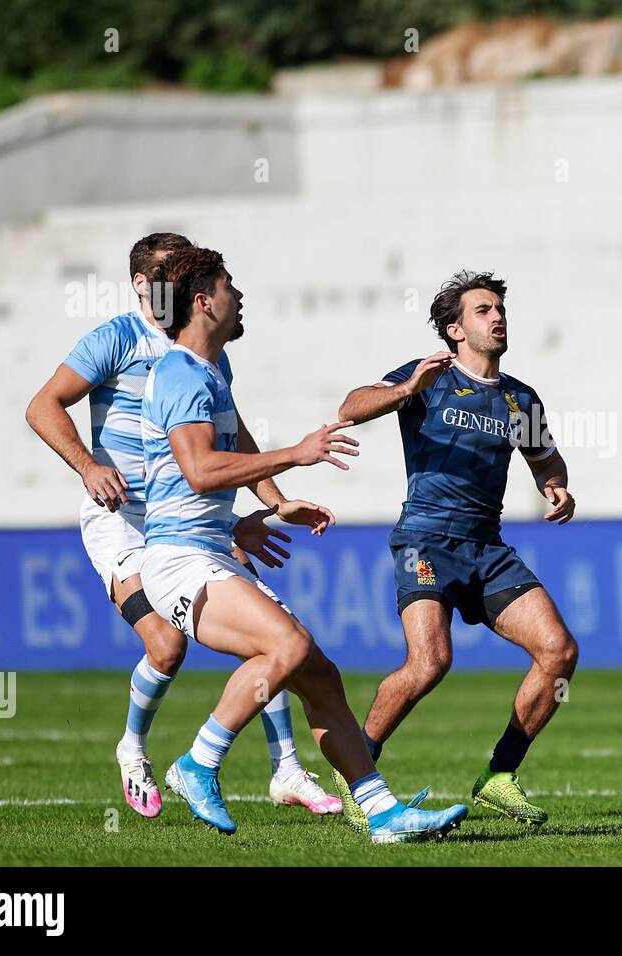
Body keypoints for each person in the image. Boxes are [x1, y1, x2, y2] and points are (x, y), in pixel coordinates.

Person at [138, 246, 467, 841]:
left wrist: (271, 502)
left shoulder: (212, 371)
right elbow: (200, 471)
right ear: (203, 301)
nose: (241, 296)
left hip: (206, 550)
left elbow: (231, 446)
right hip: (176, 561)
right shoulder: (181, 372)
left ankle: (384, 814)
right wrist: (297, 450)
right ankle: (198, 763)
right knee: (286, 646)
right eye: (229, 285)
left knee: (319, 674)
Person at [25, 233, 343, 817]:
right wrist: (89, 466)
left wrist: (271, 501)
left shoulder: (205, 351)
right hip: (122, 518)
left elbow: (231, 429)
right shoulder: (117, 339)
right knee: (167, 647)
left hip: (191, 516)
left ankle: (286, 767)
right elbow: (42, 406)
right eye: (173, 272)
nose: (187, 282)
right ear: (144, 285)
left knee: (270, 626)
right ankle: (134, 747)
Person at [334, 270, 579, 829]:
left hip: (486, 547)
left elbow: (546, 459)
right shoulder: (430, 379)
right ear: (455, 328)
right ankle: (358, 774)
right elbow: (349, 407)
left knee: (559, 652)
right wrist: (404, 391)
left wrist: (555, 486)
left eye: (500, 309)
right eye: (483, 310)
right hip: (425, 538)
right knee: (429, 663)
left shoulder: (519, 397)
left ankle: (499, 775)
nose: (497, 317)